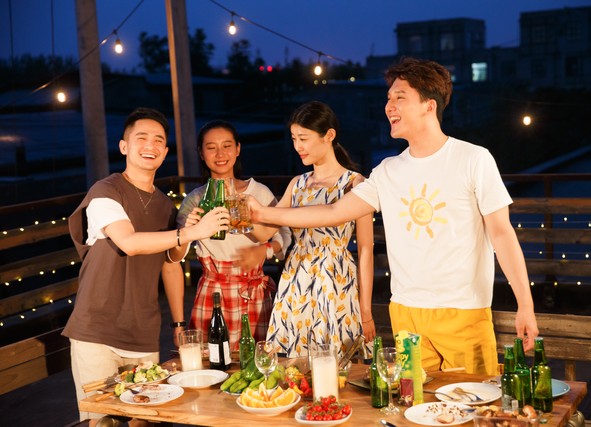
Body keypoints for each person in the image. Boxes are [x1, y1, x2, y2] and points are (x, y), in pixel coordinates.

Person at [248, 59, 539, 376]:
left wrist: (525, 304)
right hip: (405, 312)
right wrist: (263, 213)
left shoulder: (473, 159)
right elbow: (333, 212)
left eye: (400, 97)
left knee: (470, 398)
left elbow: (501, 233)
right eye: (388, 98)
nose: (389, 106)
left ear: (429, 105)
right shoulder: (388, 170)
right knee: (413, 399)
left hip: (463, 310)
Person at [63, 107, 229, 427]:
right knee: (103, 421)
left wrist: (178, 323)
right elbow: (129, 242)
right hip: (97, 331)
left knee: (147, 420)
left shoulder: (165, 205)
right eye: (141, 138)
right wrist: (191, 232)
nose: (150, 145)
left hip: (143, 333)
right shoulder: (105, 192)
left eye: (158, 140)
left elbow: (171, 264)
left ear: (165, 152)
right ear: (124, 146)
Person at [250, 101, 375, 358]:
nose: (298, 146)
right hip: (296, 276)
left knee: (335, 362)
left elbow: (365, 250)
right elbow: (264, 233)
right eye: (294, 139)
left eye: (304, 138)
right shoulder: (297, 183)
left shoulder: (354, 183)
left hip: (335, 277)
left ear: (329, 135)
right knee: (292, 363)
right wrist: (239, 220)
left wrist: (366, 311)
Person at [176, 120, 291, 351]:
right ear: (201, 153)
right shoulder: (196, 199)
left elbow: (285, 233)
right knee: (212, 359)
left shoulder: (257, 192)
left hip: (254, 290)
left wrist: (266, 249)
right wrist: (187, 231)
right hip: (214, 290)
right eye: (211, 147)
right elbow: (176, 253)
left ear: (238, 149)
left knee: (257, 359)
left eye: (227, 146)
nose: (220, 154)